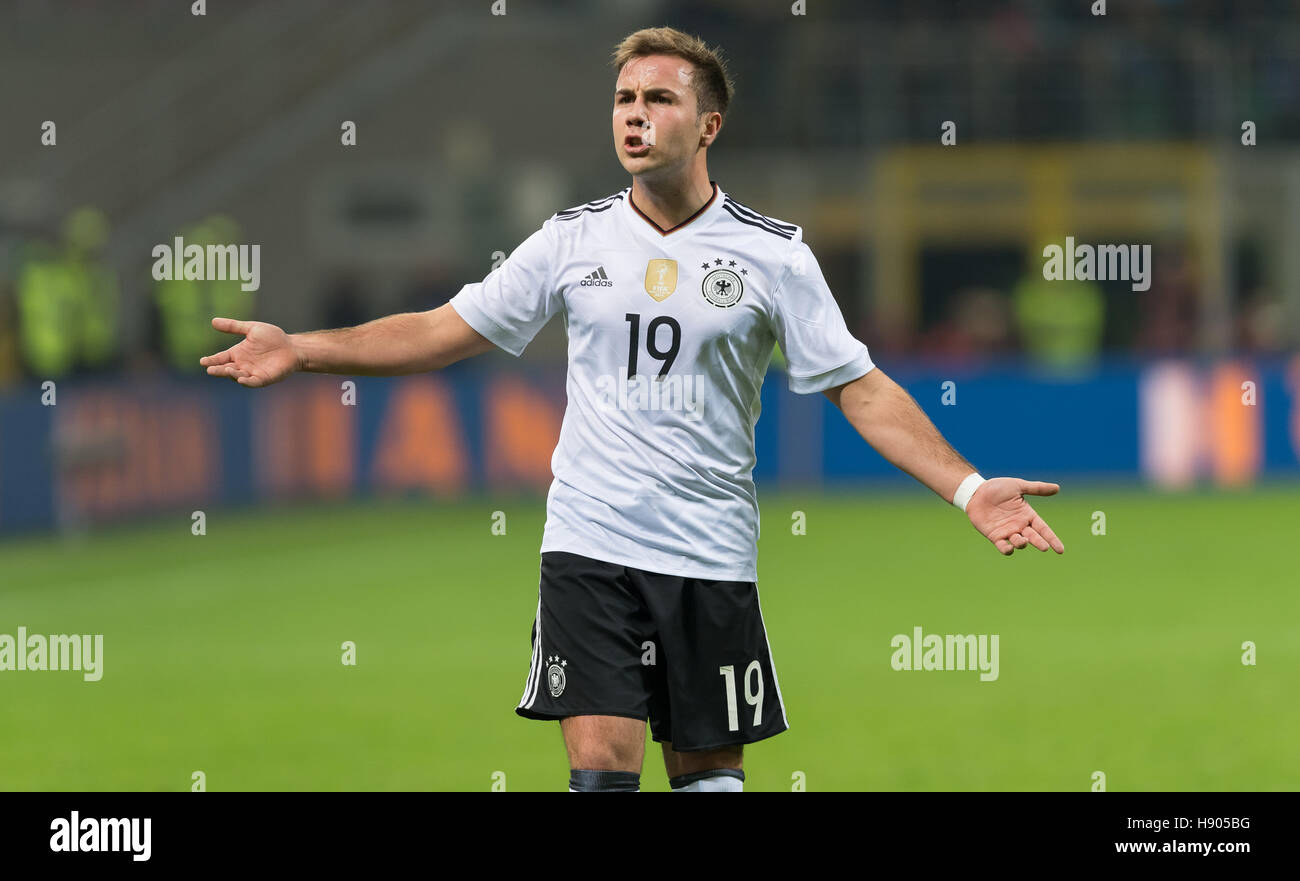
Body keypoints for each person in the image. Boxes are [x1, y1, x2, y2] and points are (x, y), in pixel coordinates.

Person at [200, 27, 1065, 792]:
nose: (634, 114)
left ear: (708, 125)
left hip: (711, 556)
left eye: (658, 98)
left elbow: (860, 386)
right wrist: (302, 347)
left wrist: (969, 488)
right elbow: (439, 330)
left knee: (708, 780)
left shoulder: (774, 256)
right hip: (590, 545)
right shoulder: (570, 240)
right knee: (602, 762)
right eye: (623, 98)